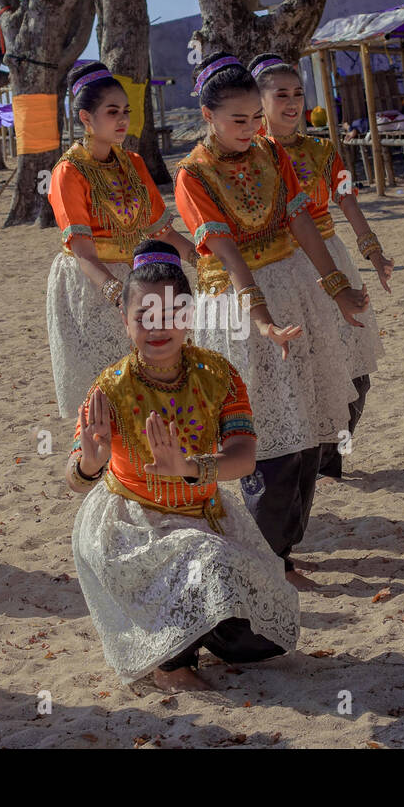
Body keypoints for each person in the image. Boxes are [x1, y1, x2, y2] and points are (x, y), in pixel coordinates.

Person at [174, 51, 368, 590]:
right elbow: (228, 252)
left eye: (256, 118)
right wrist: (260, 317)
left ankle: (284, 549)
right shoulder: (193, 174)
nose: (252, 129)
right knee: (268, 434)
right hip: (241, 307)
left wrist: (338, 289)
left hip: (295, 291)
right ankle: (270, 559)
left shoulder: (268, 152)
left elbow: (301, 218)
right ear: (208, 116)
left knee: (308, 423)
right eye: (239, 121)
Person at [67, 240, 299, 691]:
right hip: (131, 524)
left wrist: (190, 467)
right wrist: (91, 465)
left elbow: (244, 457)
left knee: (257, 643)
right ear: (124, 320)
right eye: (144, 316)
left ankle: (193, 632)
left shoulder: (219, 375)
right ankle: (170, 666)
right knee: (204, 558)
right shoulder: (109, 388)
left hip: (204, 514)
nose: (158, 327)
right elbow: (74, 475)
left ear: (189, 317)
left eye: (171, 314)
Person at [250, 51, 392, 481]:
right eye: (281, 95)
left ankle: (333, 452)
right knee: (307, 365)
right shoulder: (251, 155)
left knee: (357, 364)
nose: (291, 102)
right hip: (283, 266)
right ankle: (305, 459)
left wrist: (373, 251)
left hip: (332, 255)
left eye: (298, 93)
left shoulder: (324, 149)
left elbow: (346, 198)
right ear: (260, 101)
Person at [46, 61, 197, 418]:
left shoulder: (134, 163)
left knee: (150, 381)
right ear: (85, 117)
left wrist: (199, 256)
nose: (122, 120)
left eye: (126, 111)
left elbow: (162, 232)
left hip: (138, 278)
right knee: (109, 392)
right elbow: (82, 253)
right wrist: (119, 293)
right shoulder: (68, 172)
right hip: (90, 285)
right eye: (112, 112)